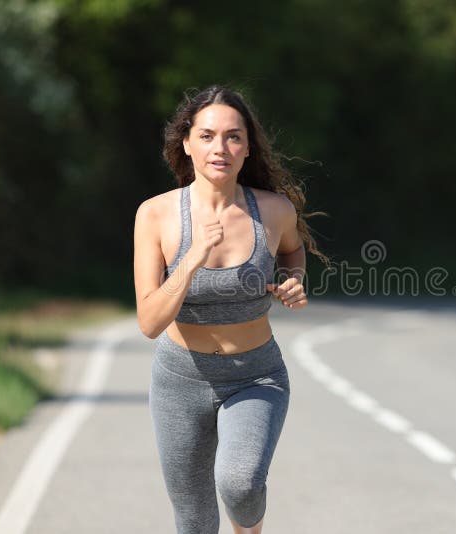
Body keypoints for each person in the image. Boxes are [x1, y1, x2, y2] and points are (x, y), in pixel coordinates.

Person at [133, 85, 329, 534]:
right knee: (195, 521)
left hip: (255, 375)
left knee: (240, 485)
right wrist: (192, 257)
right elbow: (149, 322)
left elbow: (293, 253)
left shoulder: (275, 212)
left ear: (247, 148)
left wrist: (295, 279)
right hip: (179, 381)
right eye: (206, 136)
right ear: (186, 144)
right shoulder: (156, 216)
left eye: (232, 137)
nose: (219, 147)